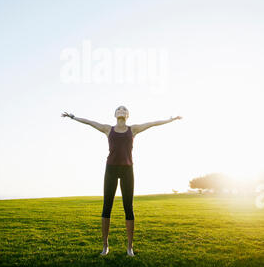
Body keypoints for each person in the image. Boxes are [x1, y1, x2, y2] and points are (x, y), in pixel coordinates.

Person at [61, 106, 182, 257]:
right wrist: (73, 117)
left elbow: (152, 123)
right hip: (111, 169)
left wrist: (170, 120)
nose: (121, 110)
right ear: (115, 114)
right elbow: (90, 122)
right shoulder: (107, 129)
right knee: (107, 207)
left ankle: (129, 247)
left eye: (124, 109)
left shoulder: (134, 129)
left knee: (128, 208)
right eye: (119, 109)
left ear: (127, 115)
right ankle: (105, 246)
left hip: (127, 170)